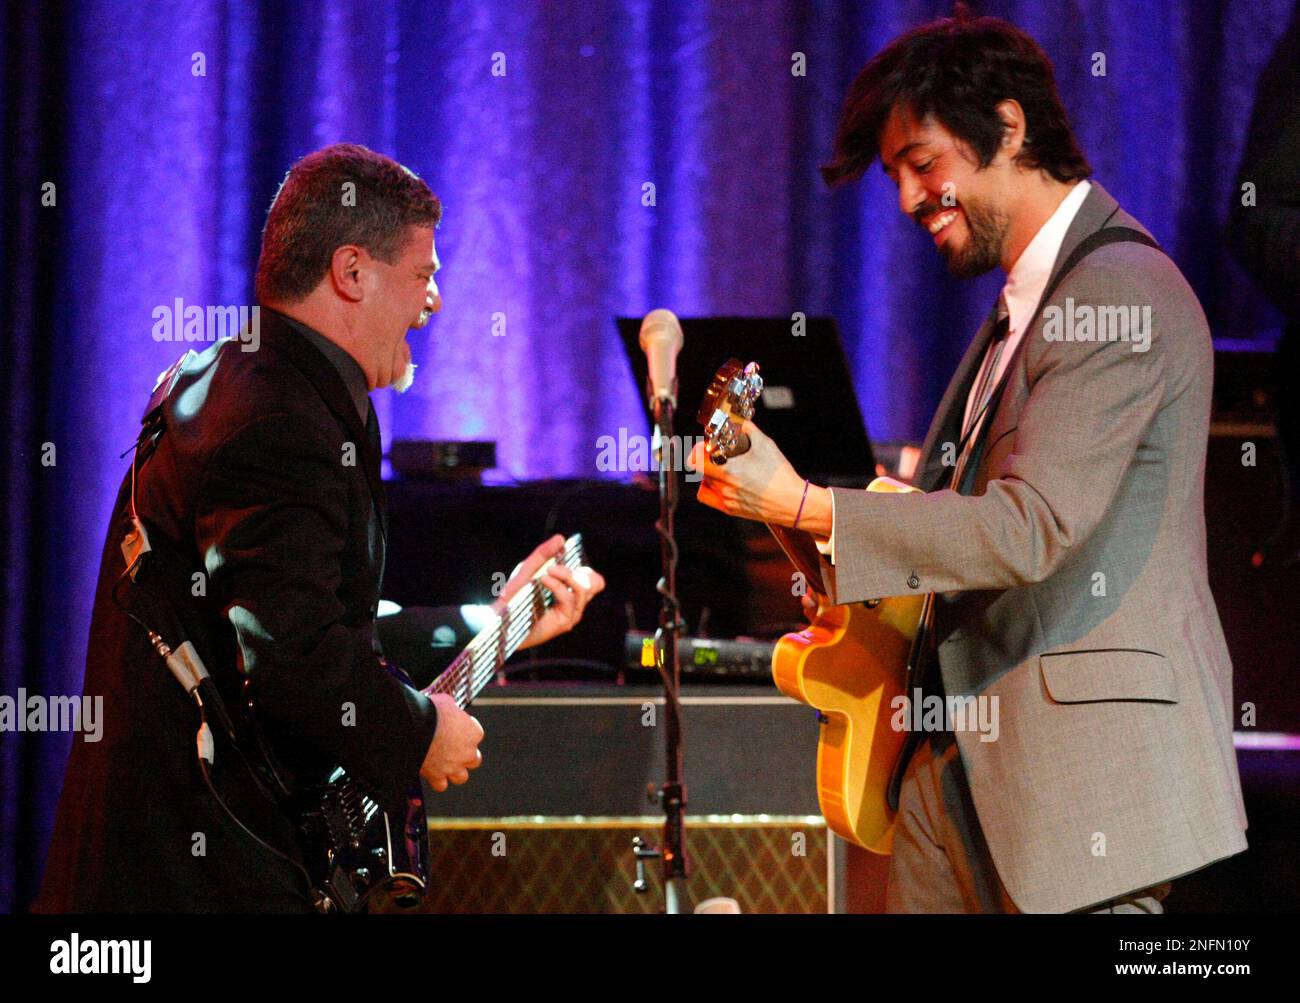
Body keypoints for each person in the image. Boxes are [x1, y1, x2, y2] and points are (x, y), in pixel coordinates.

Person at [692, 12, 1247, 913]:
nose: (911, 199)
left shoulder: (1118, 292)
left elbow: (1031, 528)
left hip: (1080, 786)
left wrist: (804, 501)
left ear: (1010, 126)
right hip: (954, 767)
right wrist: (789, 522)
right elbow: (954, 546)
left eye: (924, 163)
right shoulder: (1022, 306)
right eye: (897, 177)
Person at [33, 143, 604, 912]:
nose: (434, 302)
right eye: (424, 274)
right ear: (353, 271)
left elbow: (319, 628)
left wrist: (495, 622)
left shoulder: (247, 378)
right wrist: (416, 733)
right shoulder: (278, 418)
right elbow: (295, 659)